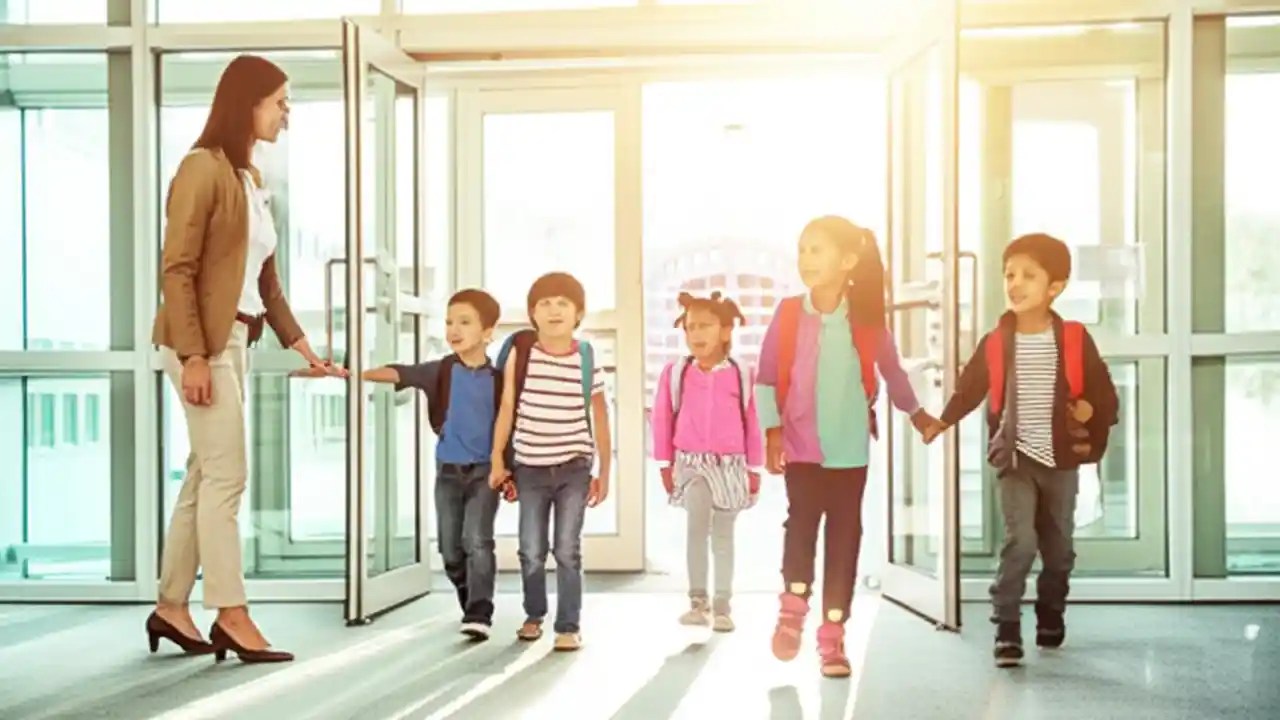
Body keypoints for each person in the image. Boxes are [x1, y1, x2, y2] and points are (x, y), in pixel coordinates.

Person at [147, 54, 344, 664]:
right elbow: (176, 269)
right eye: (280, 101)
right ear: (248, 102)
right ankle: (231, 614)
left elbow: (268, 284)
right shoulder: (199, 170)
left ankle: (171, 606)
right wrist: (195, 355)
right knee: (229, 476)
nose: (287, 113)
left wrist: (306, 348)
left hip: (239, 339)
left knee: (206, 474)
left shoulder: (251, 183)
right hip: (202, 343)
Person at [922, 233, 1118, 668]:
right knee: (1021, 541)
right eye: (1009, 274)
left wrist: (1089, 408)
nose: (1015, 283)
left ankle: (1051, 612)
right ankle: (1006, 625)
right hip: (1015, 458)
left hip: (1062, 460)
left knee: (1059, 548)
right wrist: (943, 420)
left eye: (1029, 275)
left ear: (1056, 286)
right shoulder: (996, 341)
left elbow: (1104, 391)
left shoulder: (1072, 338)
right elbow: (970, 385)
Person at [755, 215, 936, 678]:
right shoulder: (790, 313)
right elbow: (766, 377)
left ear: (848, 260)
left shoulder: (866, 320)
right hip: (800, 446)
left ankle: (832, 638)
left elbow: (893, 373)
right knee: (799, 526)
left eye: (817, 250)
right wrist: (772, 431)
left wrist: (917, 415)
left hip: (850, 451)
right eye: (802, 250)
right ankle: (792, 611)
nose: (806, 259)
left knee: (844, 539)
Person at [362, 289, 505, 641]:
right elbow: (400, 373)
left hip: (485, 472)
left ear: (488, 332)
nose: (453, 329)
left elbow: (511, 426)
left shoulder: (500, 379)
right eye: (449, 322)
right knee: (451, 550)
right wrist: (353, 374)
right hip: (448, 473)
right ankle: (468, 600)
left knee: (478, 540)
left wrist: (509, 468)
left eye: (465, 322)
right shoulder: (441, 371)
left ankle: (480, 612)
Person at [489, 272, 611, 652]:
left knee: (567, 548)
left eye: (563, 303)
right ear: (532, 313)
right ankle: (534, 613)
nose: (554, 310)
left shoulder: (588, 357)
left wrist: (605, 471)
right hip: (530, 468)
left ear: (579, 313)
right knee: (530, 548)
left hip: (575, 466)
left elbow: (601, 417)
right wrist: (497, 459)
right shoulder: (522, 355)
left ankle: (568, 623)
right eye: (544, 303)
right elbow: (507, 406)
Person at [650, 291, 763, 633]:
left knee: (724, 536)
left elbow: (753, 420)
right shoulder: (676, 373)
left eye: (705, 326)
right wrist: (665, 463)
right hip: (691, 463)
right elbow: (662, 418)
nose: (696, 334)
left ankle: (723, 605)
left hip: (732, 464)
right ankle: (698, 602)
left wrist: (753, 467)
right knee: (696, 531)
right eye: (690, 327)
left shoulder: (743, 374)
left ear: (726, 331)